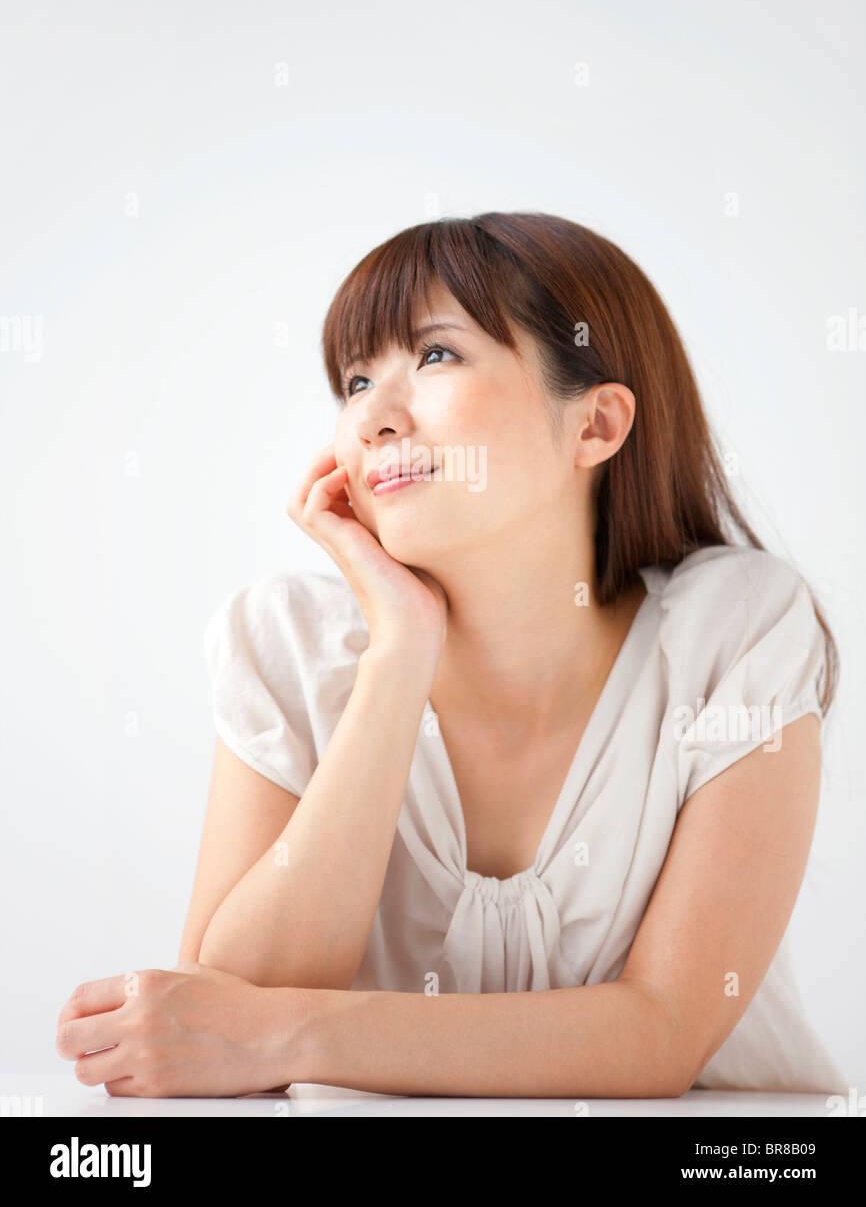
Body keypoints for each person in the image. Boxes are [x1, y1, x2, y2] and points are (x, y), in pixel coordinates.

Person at [57, 212, 848, 1098]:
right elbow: (227, 1003)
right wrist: (398, 651)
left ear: (596, 425)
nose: (374, 419)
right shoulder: (288, 646)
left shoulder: (733, 633)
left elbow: (660, 1031)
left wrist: (287, 1036)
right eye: (356, 380)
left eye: (435, 356)